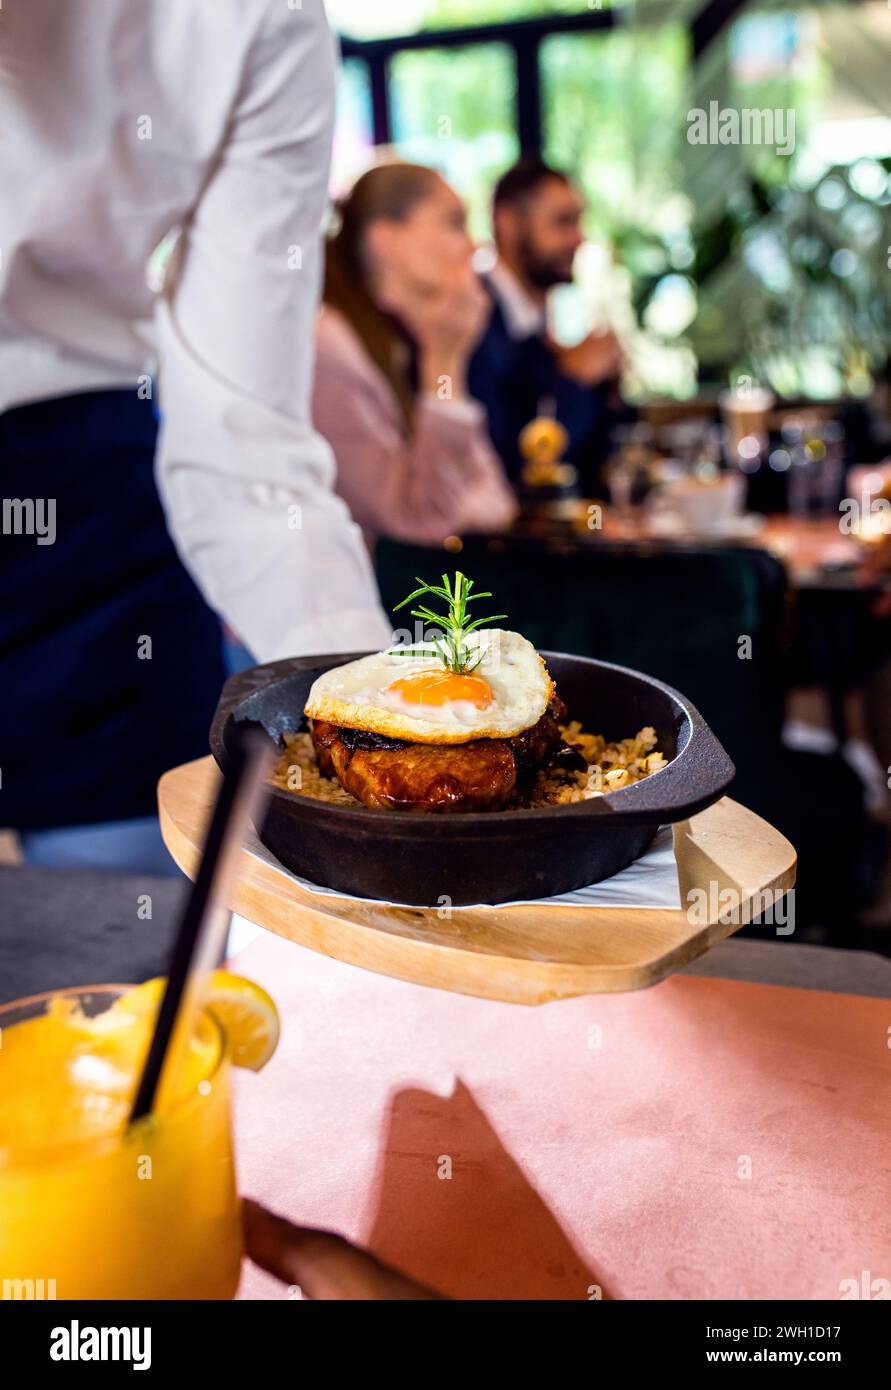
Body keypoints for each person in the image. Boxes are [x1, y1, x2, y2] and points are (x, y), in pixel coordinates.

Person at [0, 1, 389, 872]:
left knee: (136, 973)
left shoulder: (256, 17)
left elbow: (243, 445)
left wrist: (381, 719)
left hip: (91, 530)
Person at [313, 164, 517, 546]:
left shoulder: (397, 342)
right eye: (453, 222)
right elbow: (421, 524)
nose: (472, 246)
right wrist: (443, 364)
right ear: (385, 240)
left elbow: (497, 500)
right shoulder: (329, 348)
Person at [468, 157, 625, 491]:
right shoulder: (472, 321)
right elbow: (512, 470)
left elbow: (590, 465)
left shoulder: (532, 326)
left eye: (579, 222)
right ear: (508, 223)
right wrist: (576, 379)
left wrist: (604, 384)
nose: (579, 239)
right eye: (563, 222)